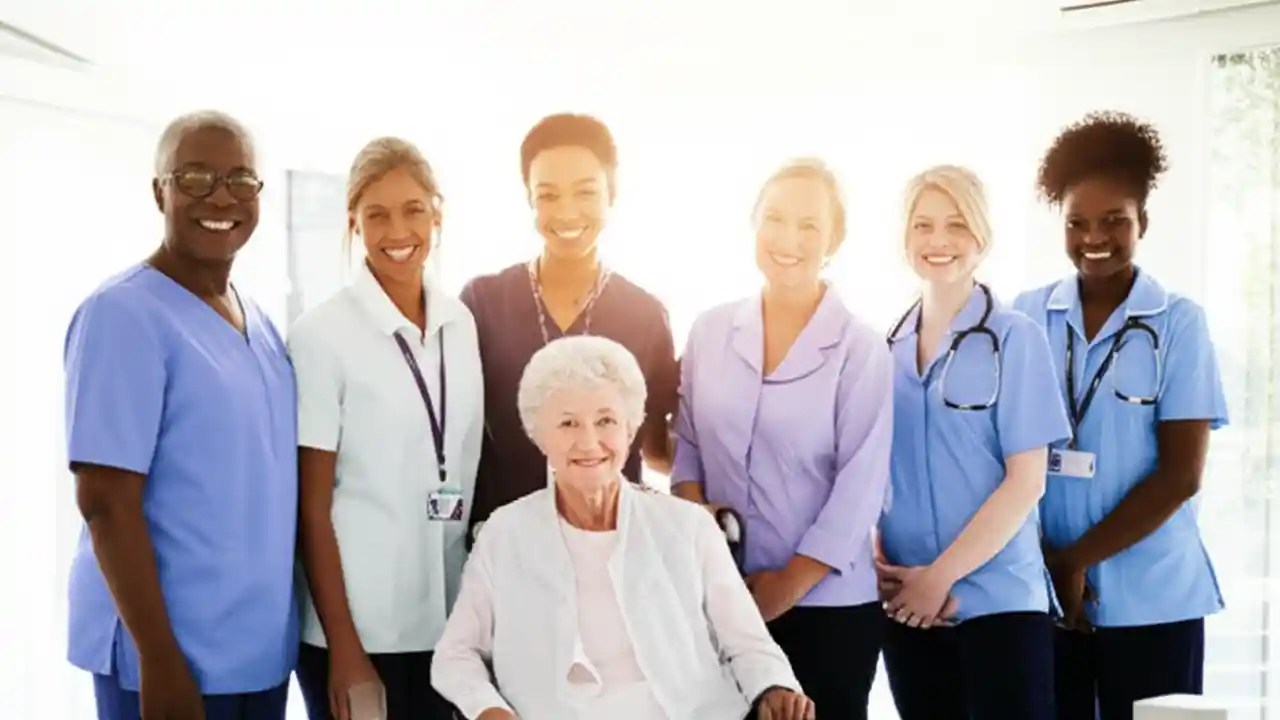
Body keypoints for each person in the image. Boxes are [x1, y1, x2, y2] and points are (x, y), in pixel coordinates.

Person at [431, 336, 814, 720]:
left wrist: (774, 687)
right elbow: (456, 655)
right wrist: (489, 709)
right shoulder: (505, 533)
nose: (589, 441)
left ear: (630, 430)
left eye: (605, 421)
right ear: (539, 435)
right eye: (567, 423)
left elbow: (749, 645)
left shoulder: (688, 527)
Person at [62, 110, 297, 720]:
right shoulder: (124, 315)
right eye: (195, 177)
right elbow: (105, 500)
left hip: (256, 656)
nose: (221, 197)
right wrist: (158, 659)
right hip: (167, 665)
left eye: (242, 180)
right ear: (159, 190)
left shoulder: (261, 322)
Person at [1014, 111, 1229, 720]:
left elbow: (1182, 473)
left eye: (1115, 220)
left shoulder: (1180, 322)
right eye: (1076, 222)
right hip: (1048, 597)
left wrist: (1075, 559)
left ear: (1144, 222)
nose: (1094, 237)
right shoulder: (1026, 316)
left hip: (1154, 597)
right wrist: (1048, 566)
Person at [670, 158, 892, 719]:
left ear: (834, 240)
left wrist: (786, 587)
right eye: (774, 219)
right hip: (723, 600)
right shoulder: (710, 331)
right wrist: (699, 515)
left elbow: (860, 488)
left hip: (828, 610)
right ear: (753, 225)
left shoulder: (859, 347)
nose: (788, 239)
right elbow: (687, 448)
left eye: (809, 226)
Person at [289, 137, 483, 719]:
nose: (397, 231)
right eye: (376, 214)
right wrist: (346, 651)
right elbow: (311, 507)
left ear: (437, 215)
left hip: (445, 623)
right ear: (353, 223)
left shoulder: (460, 321)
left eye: (413, 210)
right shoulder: (321, 336)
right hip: (357, 633)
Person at [876, 165, 1070, 720]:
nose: (938, 241)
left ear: (982, 236)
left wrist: (939, 578)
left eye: (956, 224)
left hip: (998, 604)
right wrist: (882, 561)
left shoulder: (1015, 338)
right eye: (923, 225)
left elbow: (1027, 481)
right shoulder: (883, 350)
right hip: (910, 607)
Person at [460, 113, 678, 538]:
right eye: (548, 195)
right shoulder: (482, 302)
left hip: (613, 541)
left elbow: (654, 447)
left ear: (611, 195)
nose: (566, 211)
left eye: (585, 193)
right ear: (529, 200)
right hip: (504, 541)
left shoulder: (645, 314)